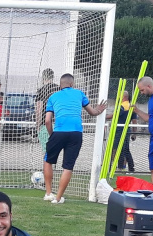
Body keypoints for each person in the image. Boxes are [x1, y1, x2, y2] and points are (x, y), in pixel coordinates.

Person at [43, 73, 107, 204]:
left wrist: (52, 135)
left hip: (59, 132)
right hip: (76, 133)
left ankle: (48, 193)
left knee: (48, 161)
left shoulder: (53, 97)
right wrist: (99, 110)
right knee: (68, 166)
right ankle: (58, 198)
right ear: (72, 84)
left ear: (60, 85)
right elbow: (92, 112)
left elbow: (47, 121)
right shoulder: (79, 94)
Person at [104, 90, 137, 173]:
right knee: (125, 149)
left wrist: (103, 117)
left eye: (119, 96)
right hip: (127, 130)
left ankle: (117, 167)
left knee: (116, 148)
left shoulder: (122, 106)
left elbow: (113, 115)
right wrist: (134, 133)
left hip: (119, 130)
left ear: (123, 97)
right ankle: (128, 168)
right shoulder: (131, 106)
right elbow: (134, 121)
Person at [35, 69, 60, 162]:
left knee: (46, 151)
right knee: (55, 150)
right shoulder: (59, 89)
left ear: (43, 77)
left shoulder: (41, 90)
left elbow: (39, 108)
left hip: (45, 123)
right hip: (58, 123)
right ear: (52, 77)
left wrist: (37, 125)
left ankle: (47, 169)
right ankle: (52, 168)